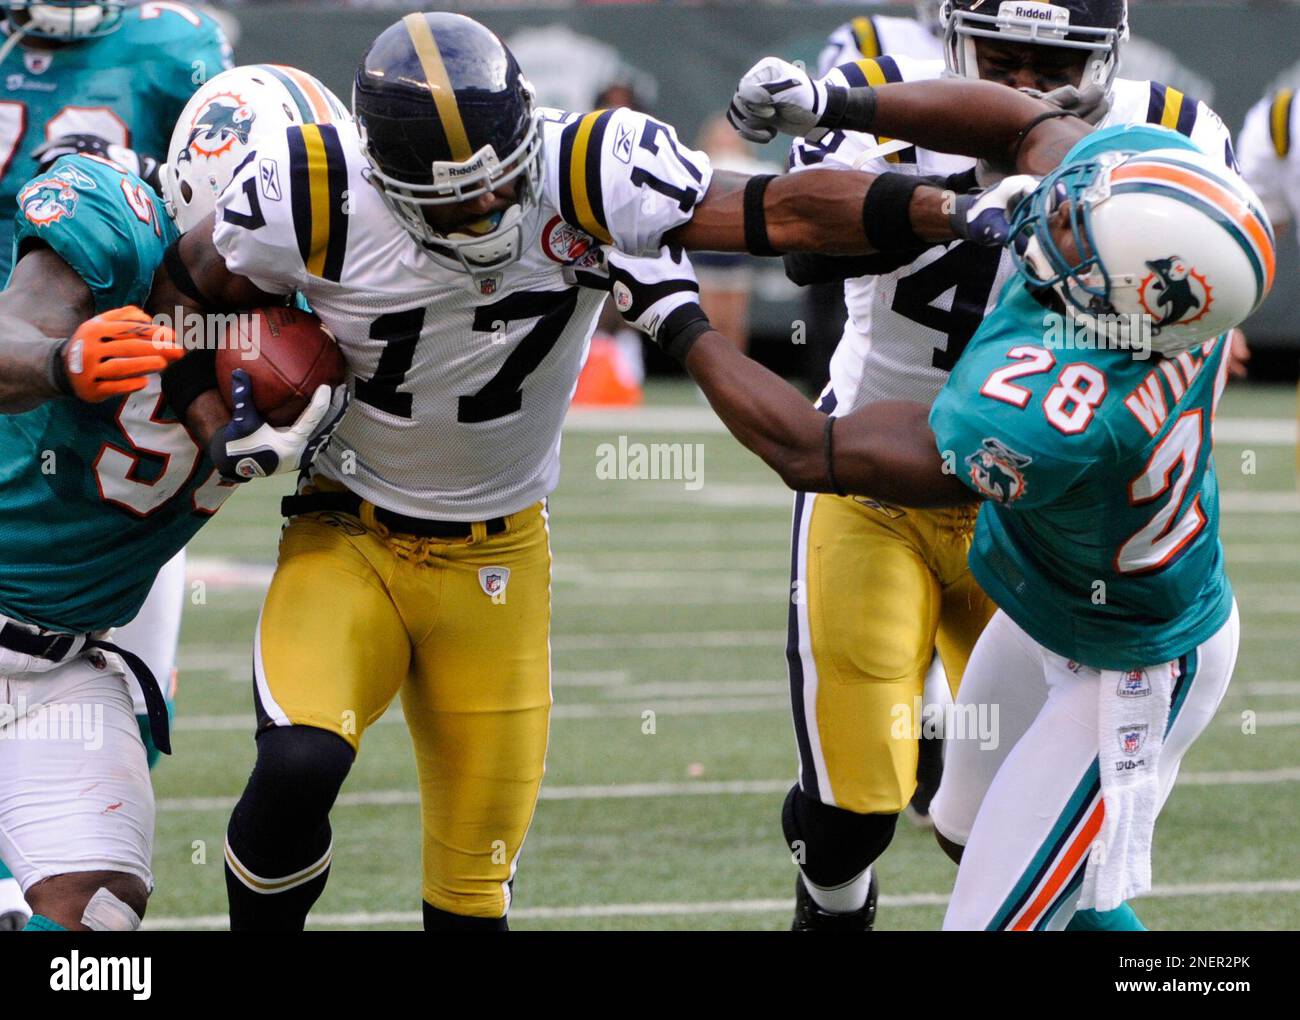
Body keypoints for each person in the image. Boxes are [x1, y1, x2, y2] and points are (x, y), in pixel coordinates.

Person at [143, 12, 1093, 930]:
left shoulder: (587, 166)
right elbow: (184, 297)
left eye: (497, 186)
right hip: (347, 527)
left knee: (469, 896)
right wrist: (212, 420)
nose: (483, 213)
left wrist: (952, 211)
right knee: (299, 764)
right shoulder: (310, 190)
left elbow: (778, 211)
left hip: (497, 562)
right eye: (452, 202)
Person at [608, 94, 1271, 929]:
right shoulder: (1150, 241)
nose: (1055, 213)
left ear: (1122, 303)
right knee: (961, 827)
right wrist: (837, 104)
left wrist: (676, 315)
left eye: (1074, 233)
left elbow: (814, 451)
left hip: (1129, 663)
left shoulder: (1059, 415)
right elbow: (1027, 127)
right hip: (1045, 608)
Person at [764, 0, 1241, 930]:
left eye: (1049, 59)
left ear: (1106, 55)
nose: (1022, 79)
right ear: (952, 38)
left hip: (1027, 505)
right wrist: (954, 212)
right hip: (877, 473)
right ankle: (830, 902)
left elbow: (1203, 291)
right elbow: (805, 249)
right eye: (1001, 54)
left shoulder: (1172, 132)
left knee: (980, 832)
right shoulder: (881, 83)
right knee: (849, 816)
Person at [0, 64, 345, 932]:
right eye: (261, 231)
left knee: (101, 924)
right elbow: (15, 328)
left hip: (61, 666)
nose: (283, 267)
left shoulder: (317, 324)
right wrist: (60, 364)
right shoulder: (114, 218)